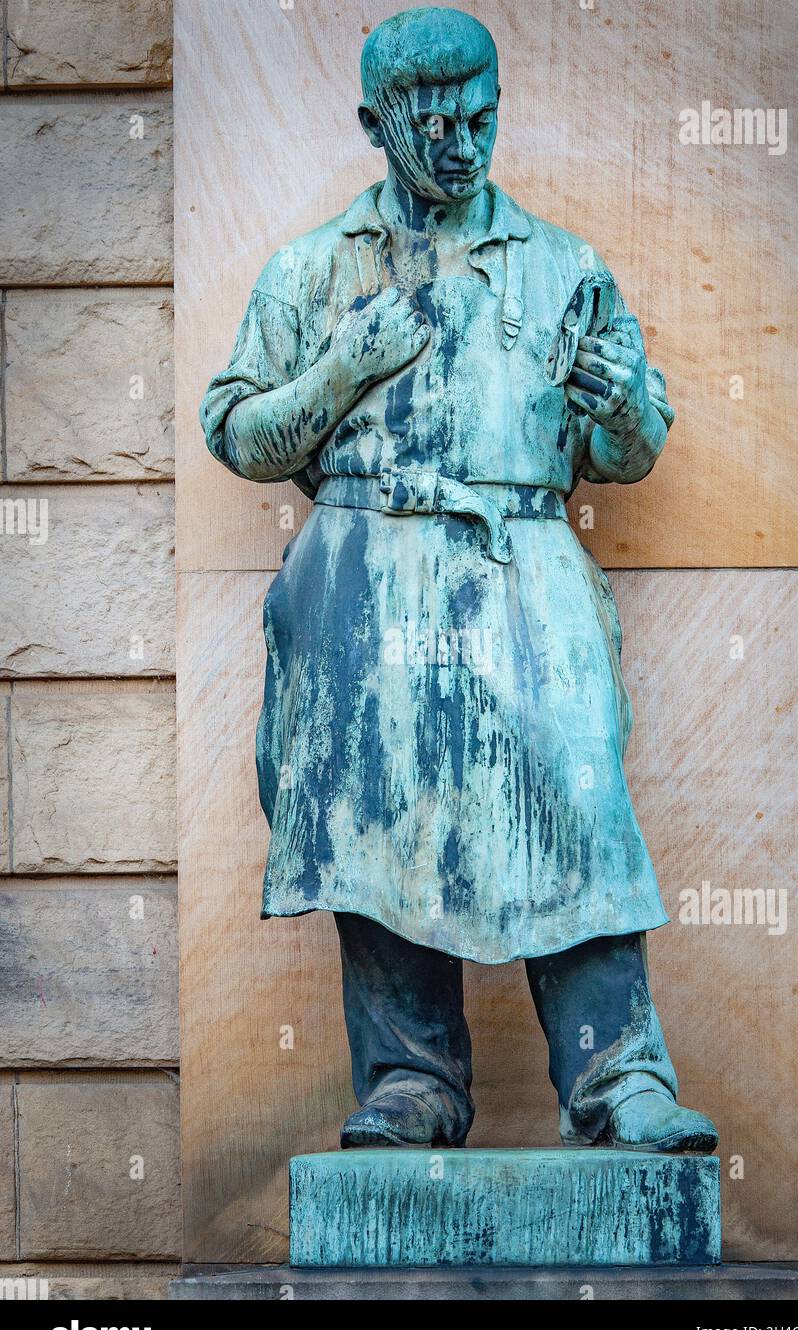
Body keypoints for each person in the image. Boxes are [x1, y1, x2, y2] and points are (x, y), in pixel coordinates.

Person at [200, 7, 717, 1155]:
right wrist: (340, 369)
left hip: (520, 568)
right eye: (432, 126)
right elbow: (237, 432)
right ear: (373, 127)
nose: (462, 147)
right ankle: (409, 1082)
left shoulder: (560, 263)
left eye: (480, 120)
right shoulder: (314, 270)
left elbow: (627, 454)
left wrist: (620, 404)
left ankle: (619, 1075)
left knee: (575, 808)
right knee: (380, 827)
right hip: (368, 573)